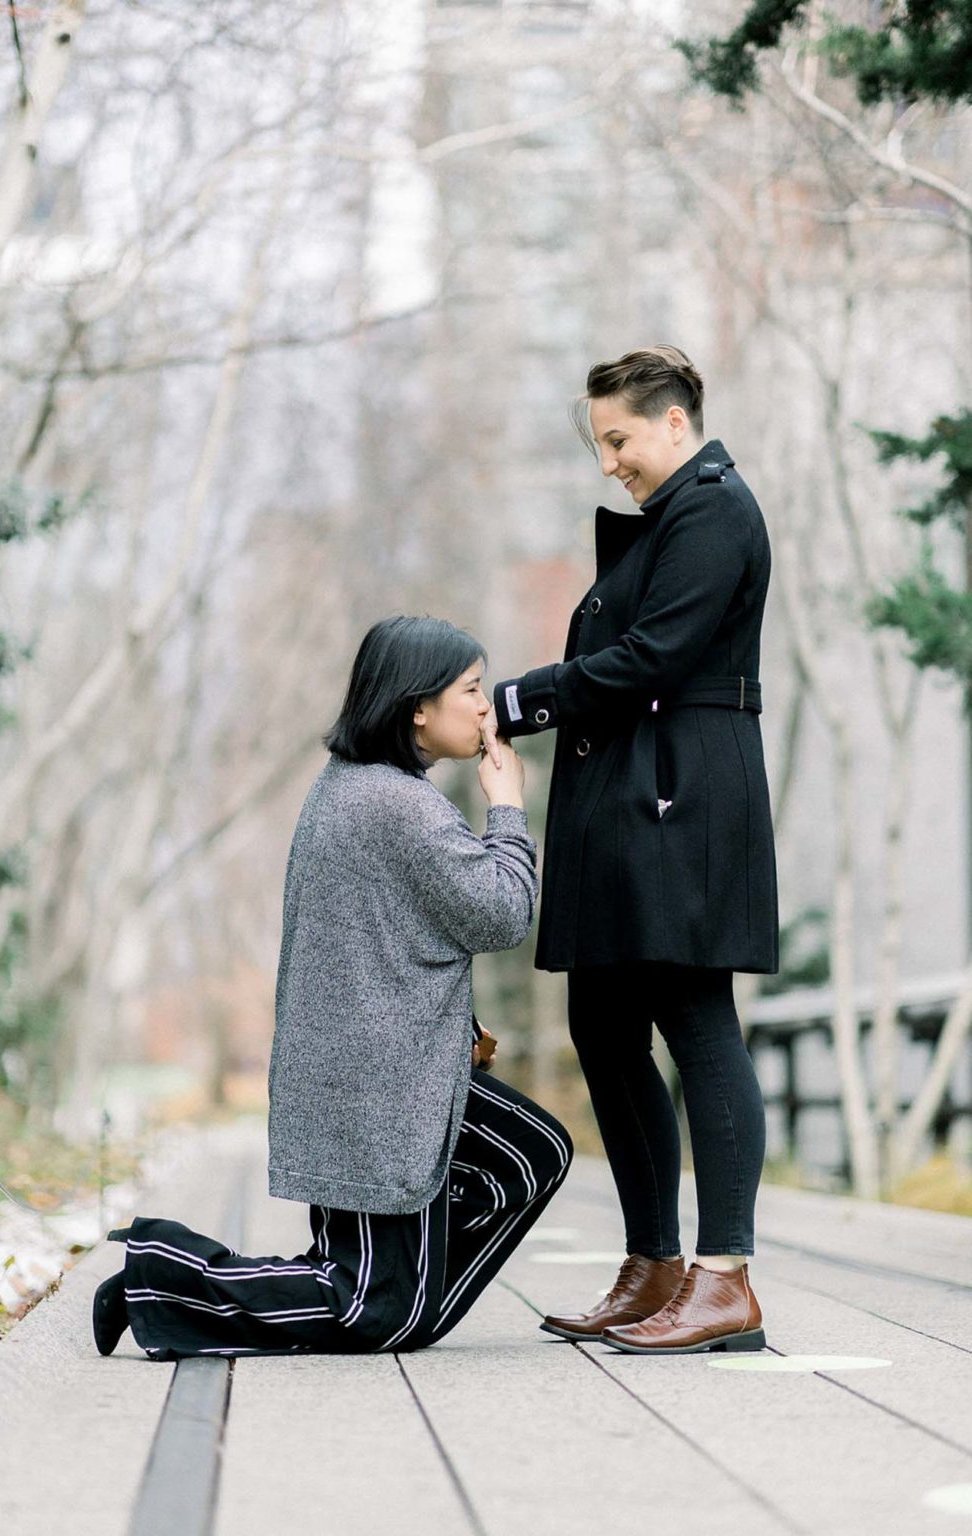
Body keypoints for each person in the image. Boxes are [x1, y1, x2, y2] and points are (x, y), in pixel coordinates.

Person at [92, 616, 571, 1359]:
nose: (487, 707)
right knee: (367, 1311)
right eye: (472, 690)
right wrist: (505, 803)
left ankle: (410, 1293)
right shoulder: (393, 802)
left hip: (391, 1074)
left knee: (529, 1153)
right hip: (380, 1088)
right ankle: (161, 1277)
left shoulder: (364, 790)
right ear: (418, 706)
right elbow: (501, 913)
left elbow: (399, 936)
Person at [482, 345, 777, 1355]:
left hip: (682, 797)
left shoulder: (715, 511)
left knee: (697, 1019)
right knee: (604, 1026)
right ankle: (652, 1266)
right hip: (632, 800)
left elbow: (652, 659)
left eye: (618, 439)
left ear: (675, 424)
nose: (608, 461)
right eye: (598, 443)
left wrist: (520, 699)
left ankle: (724, 1277)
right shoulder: (670, 520)